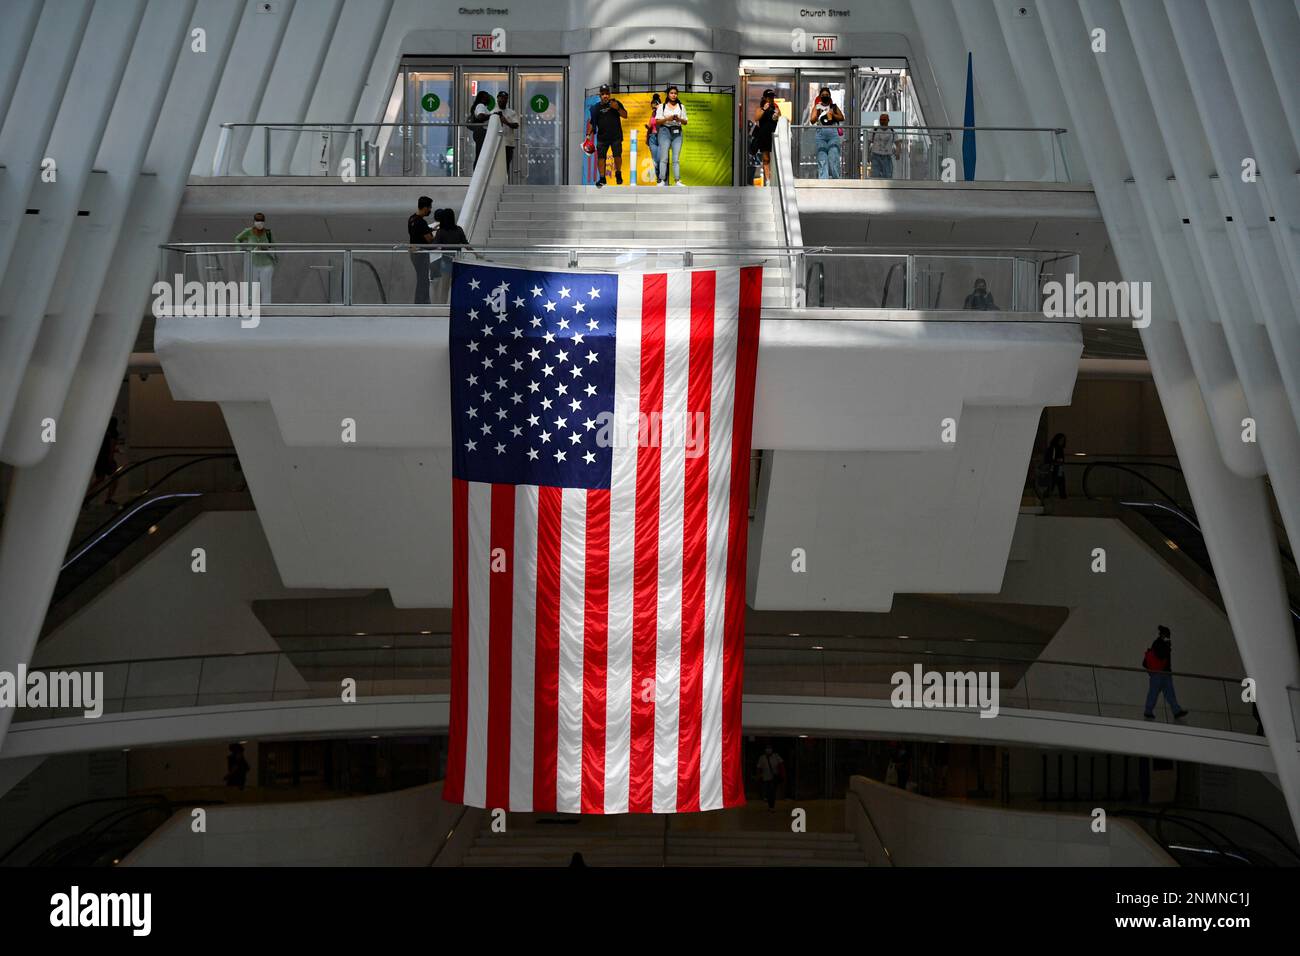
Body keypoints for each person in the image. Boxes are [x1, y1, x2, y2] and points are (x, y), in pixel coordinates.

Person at [1143, 625, 1190, 720]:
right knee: (1155, 693)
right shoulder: (1158, 643)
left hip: (1164, 673)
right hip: (1159, 673)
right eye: (1168, 634)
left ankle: (1176, 711)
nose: (1169, 636)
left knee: (1168, 693)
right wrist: (1167, 647)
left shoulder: (1159, 643)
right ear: (1164, 634)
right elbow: (1161, 656)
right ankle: (1148, 711)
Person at [586, 84, 627, 188]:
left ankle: (618, 173)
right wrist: (587, 136)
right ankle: (602, 178)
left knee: (617, 156)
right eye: (603, 94)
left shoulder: (615, 103)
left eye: (607, 94)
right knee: (601, 158)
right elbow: (592, 122)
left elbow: (625, 115)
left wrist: (617, 108)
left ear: (609, 94)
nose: (605, 96)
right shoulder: (595, 108)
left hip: (616, 136)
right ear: (600, 95)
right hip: (602, 138)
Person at [234, 212, 277, 303]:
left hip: (266, 264)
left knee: (266, 289)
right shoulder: (248, 231)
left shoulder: (268, 233)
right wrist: (240, 249)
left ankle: (266, 309)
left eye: (262, 222)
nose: (260, 224)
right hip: (252, 263)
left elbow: (273, 246)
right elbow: (237, 239)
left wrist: (266, 247)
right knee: (252, 288)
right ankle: (252, 307)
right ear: (254, 221)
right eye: (258, 221)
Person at [430, 207, 470, 303]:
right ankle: (457, 304)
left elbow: (433, 246)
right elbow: (466, 244)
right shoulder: (458, 229)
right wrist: (477, 254)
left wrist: (420, 247)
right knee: (458, 286)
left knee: (445, 286)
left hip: (446, 261)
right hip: (458, 260)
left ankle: (443, 305)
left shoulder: (441, 231)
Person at [808, 86, 844, 179]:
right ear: (820, 96)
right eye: (823, 95)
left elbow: (842, 117)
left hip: (833, 134)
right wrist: (818, 114)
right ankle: (823, 181)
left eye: (827, 95)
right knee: (822, 158)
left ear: (830, 96)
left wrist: (833, 114)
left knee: (833, 157)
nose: (825, 96)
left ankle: (836, 179)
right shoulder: (817, 107)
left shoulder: (834, 106)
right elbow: (812, 120)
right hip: (821, 135)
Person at [656, 85, 688, 186]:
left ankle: (677, 180)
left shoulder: (681, 106)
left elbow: (685, 122)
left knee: (676, 158)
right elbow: (657, 121)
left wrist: (679, 119)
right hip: (664, 131)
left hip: (677, 132)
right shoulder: (662, 106)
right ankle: (661, 180)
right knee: (664, 157)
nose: (674, 95)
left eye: (675, 93)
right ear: (668, 94)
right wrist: (667, 119)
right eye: (671, 93)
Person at [408, 196, 435, 304]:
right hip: (421, 253)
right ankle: (422, 301)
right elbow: (429, 240)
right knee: (423, 278)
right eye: (429, 208)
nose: (430, 210)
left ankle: (419, 301)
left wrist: (431, 229)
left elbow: (417, 233)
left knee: (420, 277)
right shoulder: (421, 222)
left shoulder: (411, 219)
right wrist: (436, 236)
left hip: (413, 252)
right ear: (424, 208)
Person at [750, 88, 780, 185]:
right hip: (764, 136)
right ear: (764, 98)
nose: (771, 99)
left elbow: (779, 118)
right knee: (766, 159)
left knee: (775, 158)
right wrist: (764, 109)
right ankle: (768, 180)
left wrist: (777, 114)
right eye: (769, 97)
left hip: (774, 136)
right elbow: (756, 118)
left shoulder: (776, 107)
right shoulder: (761, 108)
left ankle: (775, 179)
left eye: (772, 97)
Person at [92, 416, 121, 506]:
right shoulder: (114, 433)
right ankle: (108, 498)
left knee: (99, 479)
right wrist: (111, 459)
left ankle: (85, 497)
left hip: (99, 458)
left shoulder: (103, 432)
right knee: (115, 478)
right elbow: (111, 448)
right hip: (106, 459)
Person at [493, 91, 520, 176]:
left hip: (508, 144)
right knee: (496, 165)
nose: (502, 101)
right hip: (496, 143)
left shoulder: (511, 112)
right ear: (497, 99)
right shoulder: (493, 112)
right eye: (500, 99)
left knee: (506, 164)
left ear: (507, 100)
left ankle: (505, 182)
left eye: (504, 99)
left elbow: (516, 125)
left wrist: (506, 122)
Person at [867, 113, 900, 179]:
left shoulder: (892, 131)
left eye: (884, 119)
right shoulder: (874, 130)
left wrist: (898, 152)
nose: (882, 121)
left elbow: (898, 143)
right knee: (875, 175)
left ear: (888, 120)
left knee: (888, 175)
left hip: (887, 157)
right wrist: (867, 155)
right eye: (881, 119)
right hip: (876, 156)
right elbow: (868, 143)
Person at [467, 90, 493, 167]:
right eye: (487, 97)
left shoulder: (481, 106)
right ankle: (477, 174)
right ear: (483, 98)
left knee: (480, 154)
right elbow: (480, 116)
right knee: (480, 155)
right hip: (481, 132)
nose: (489, 98)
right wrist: (493, 115)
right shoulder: (480, 106)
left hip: (480, 132)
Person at [755, 744, 784, 811]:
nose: (768, 750)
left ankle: (772, 806)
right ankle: (769, 804)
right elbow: (759, 767)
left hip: (774, 778)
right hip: (765, 778)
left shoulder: (776, 756)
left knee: (772, 792)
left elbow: (781, 765)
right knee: (768, 792)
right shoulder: (762, 757)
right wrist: (758, 775)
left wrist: (782, 775)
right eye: (767, 748)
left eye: (769, 748)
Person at [1041, 432, 1067, 500]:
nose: (1062, 442)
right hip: (1054, 470)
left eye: (1063, 440)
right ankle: (1045, 499)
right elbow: (1049, 459)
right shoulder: (1054, 448)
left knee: (1058, 487)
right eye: (1061, 440)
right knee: (1053, 486)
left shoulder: (1059, 449)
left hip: (1058, 470)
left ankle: (1063, 499)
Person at [643, 93, 662, 183]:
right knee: (654, 160)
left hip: (661, 137)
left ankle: (662, 176)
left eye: (655, 106)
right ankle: (658, 177)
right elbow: (650, 125)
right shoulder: (653, 114)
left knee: (660, 159)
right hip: (652, 138)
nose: (653, 108)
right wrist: (647, 127)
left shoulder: (663, 113)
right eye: (652, 107)